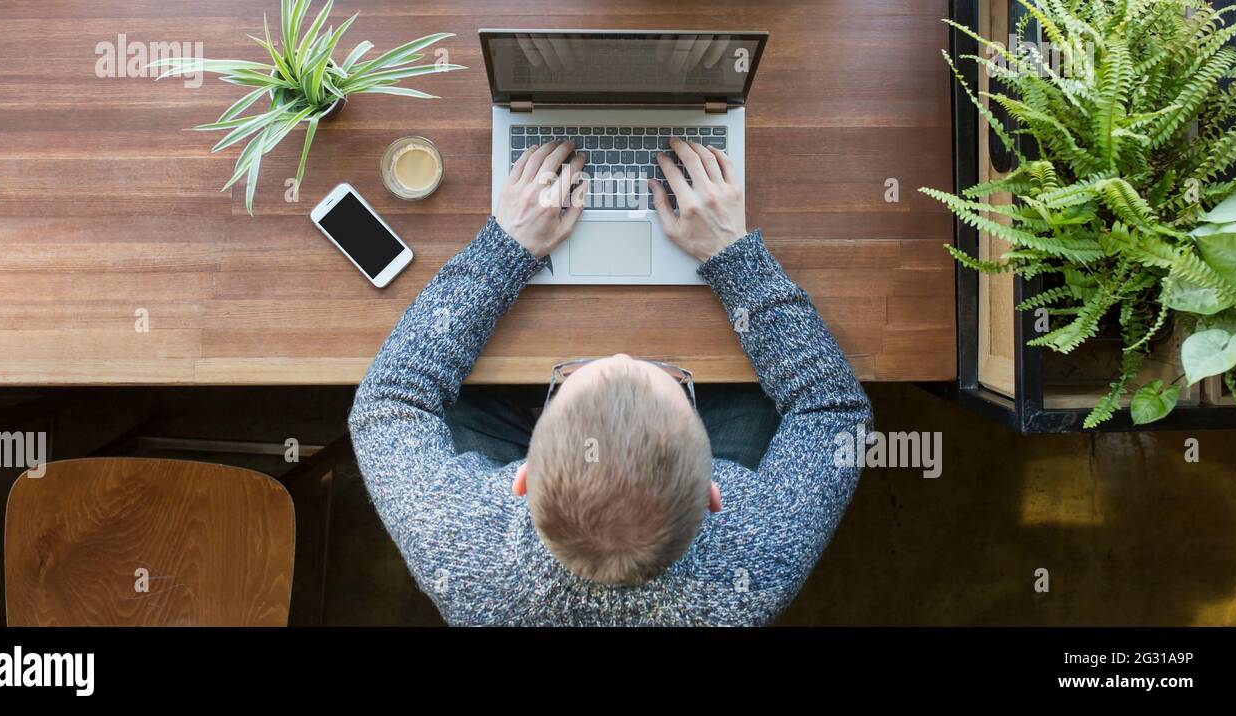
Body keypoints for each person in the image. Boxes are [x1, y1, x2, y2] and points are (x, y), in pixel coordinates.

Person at [349, 138, 871, 625]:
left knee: (468, 396)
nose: (621, 351)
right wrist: (735, 257)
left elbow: (390, 399)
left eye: (573, 381)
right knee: (751, 394)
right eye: (669, 382)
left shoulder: (458, 551)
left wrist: (503, 248)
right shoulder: (760, 560)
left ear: (523, 479)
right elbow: (833, 411)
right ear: (715, 492)